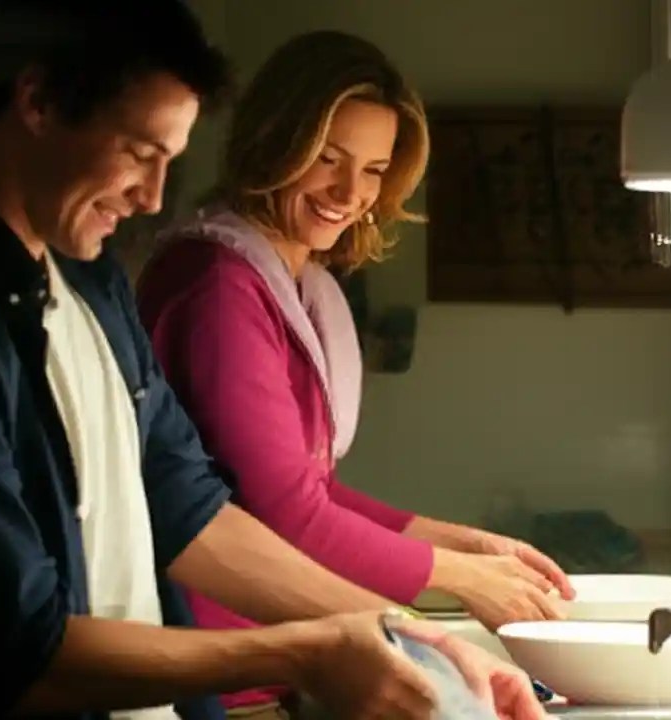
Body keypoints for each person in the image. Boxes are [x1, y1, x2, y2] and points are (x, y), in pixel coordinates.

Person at [0, 3, 543, 720]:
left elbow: (190, 510)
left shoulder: (89, 278)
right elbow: (11, 652)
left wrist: (413, 635)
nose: (154, 197)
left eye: (169, 161)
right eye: (140, 152)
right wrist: (307, 652)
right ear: (38, 101)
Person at [136, 30, 575, 718]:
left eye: (374, 169)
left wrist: (470, 547)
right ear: (275, 143)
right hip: (219, 670)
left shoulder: (286, 278)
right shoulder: (219, 285)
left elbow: (312, 488)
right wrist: (461, 579)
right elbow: (286, 514)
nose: (351, 192)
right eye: (328, 158)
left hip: (266, 658)